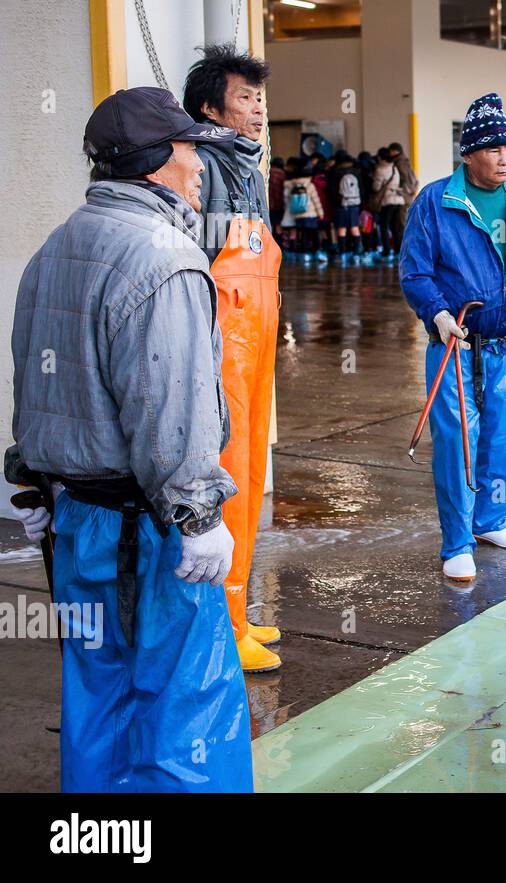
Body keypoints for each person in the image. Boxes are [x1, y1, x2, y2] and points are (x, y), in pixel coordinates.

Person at [9, 87, 252, 791]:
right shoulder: (165, 258)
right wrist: (199, 514)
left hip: (75, 526)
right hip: (150, 530)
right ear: (156, 163)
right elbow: (167, 404)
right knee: (185, 711)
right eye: (189, 149)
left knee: (95, 699)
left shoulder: (54, 250)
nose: (200, 164)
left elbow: (36, 382)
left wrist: (32, 480)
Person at [400, 93, 506, 581]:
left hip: (505, 345)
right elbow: (415, 274)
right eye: (494, 148)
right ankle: (456, 541)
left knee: (501, 438)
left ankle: (490, 520)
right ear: (468, 153)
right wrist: (437, 314)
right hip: (455, 346)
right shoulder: (436, 200)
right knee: (458, 443)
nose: (505, 156)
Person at [182, 43, 284, 673]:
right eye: (244, 98)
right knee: (228, 478)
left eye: (259, 99)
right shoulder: (206, 168)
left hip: (259, 342)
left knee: (248, 477)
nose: (257, 110)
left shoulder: (250, 167)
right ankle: (222, 626)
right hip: (225, 350)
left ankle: (239, 612)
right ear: (210, 108)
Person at [283, 155, 324, 259]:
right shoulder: (309, 185)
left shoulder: (291, 185)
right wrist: (320, 213)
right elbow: (316, 200)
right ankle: (317, 251)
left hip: (297, 214)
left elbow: (286, 198)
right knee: (314, 233)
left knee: (303, 234)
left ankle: (305, 254)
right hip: (310, 213)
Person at [329, 151, 364, 259]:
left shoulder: (335, 172)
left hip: (341, 205)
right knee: (355, 228)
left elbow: (332, 190)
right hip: (355, 204)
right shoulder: (356, 172)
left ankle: (343, 253)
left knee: (341, 229)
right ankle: (357, 253)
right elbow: (362, 190)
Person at [268, 156, 286, 246]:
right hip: (280, 204)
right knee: (278, 226)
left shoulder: (268, 173)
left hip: (269, 204)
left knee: (269, 225)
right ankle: (279, 245)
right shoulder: (283, 175)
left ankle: (270, 245)